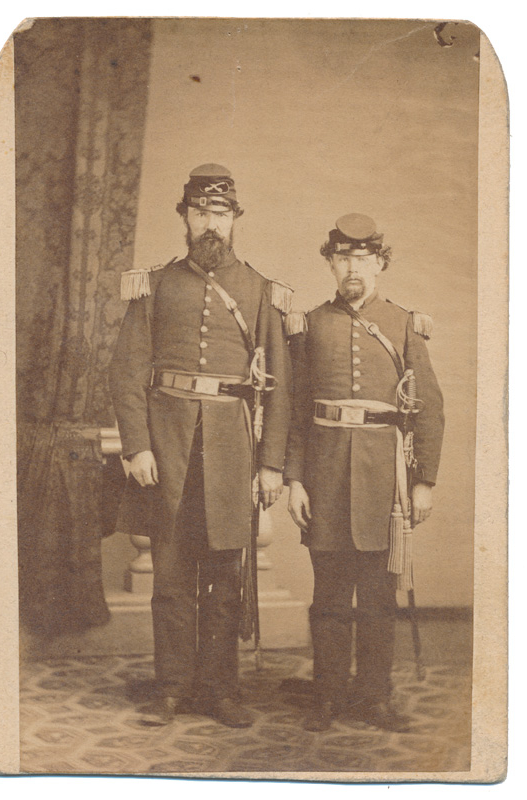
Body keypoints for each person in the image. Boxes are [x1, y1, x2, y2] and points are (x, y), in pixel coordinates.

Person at [109, 164, 292, 728]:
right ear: (185, 217)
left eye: (221, 214)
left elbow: (279, 386)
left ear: (234, 221)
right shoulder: (155, 285)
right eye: (200, 212)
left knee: (222, 579)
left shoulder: (262, 292)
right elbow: (127, 371)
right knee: (169, 577)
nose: (210, 223)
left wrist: (271, 465)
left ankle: (218, 690)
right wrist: (137, 446)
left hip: (232, 454)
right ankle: (171, 687)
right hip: (166, 451)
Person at [284, 214, 444, 732]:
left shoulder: (402, 324)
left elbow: (429, 409)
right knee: (329, 595)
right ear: (330, 263)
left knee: (378, 597)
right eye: (343, 258)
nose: (353, 268)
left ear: (379, 264)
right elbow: (293, 409)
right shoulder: (309, 325)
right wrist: (294, 479)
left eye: (363, 259)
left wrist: (423, 481)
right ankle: (328, 695)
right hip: (325, 476)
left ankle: (373, 697)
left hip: (385, 482)